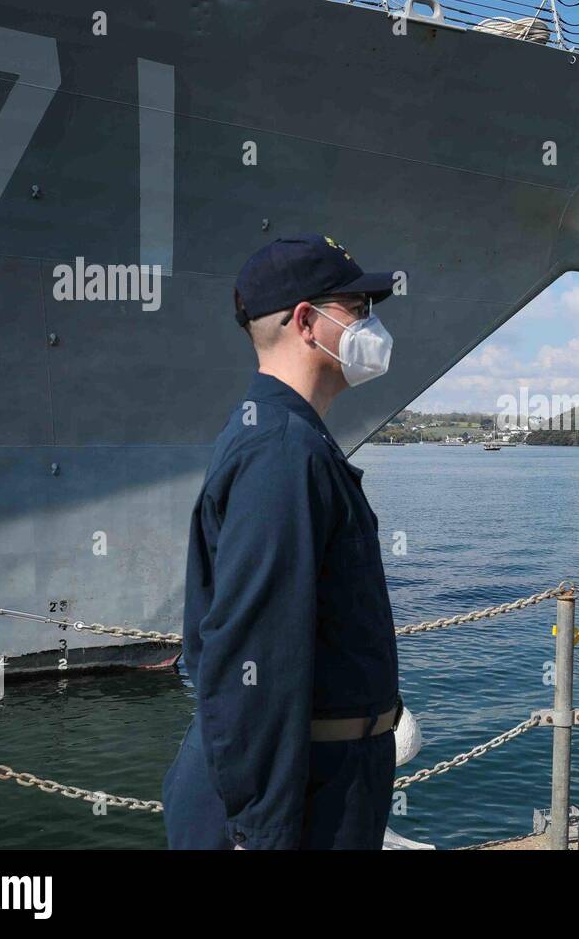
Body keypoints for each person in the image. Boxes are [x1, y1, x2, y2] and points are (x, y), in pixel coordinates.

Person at [162, 234, 406, 850]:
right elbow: (253, 655)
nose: (371, 324)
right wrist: (261, 834)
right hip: (305, 801)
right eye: (358, 308)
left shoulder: (287, 437)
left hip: (324, 782)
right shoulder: (281, 451)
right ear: (306, 321)